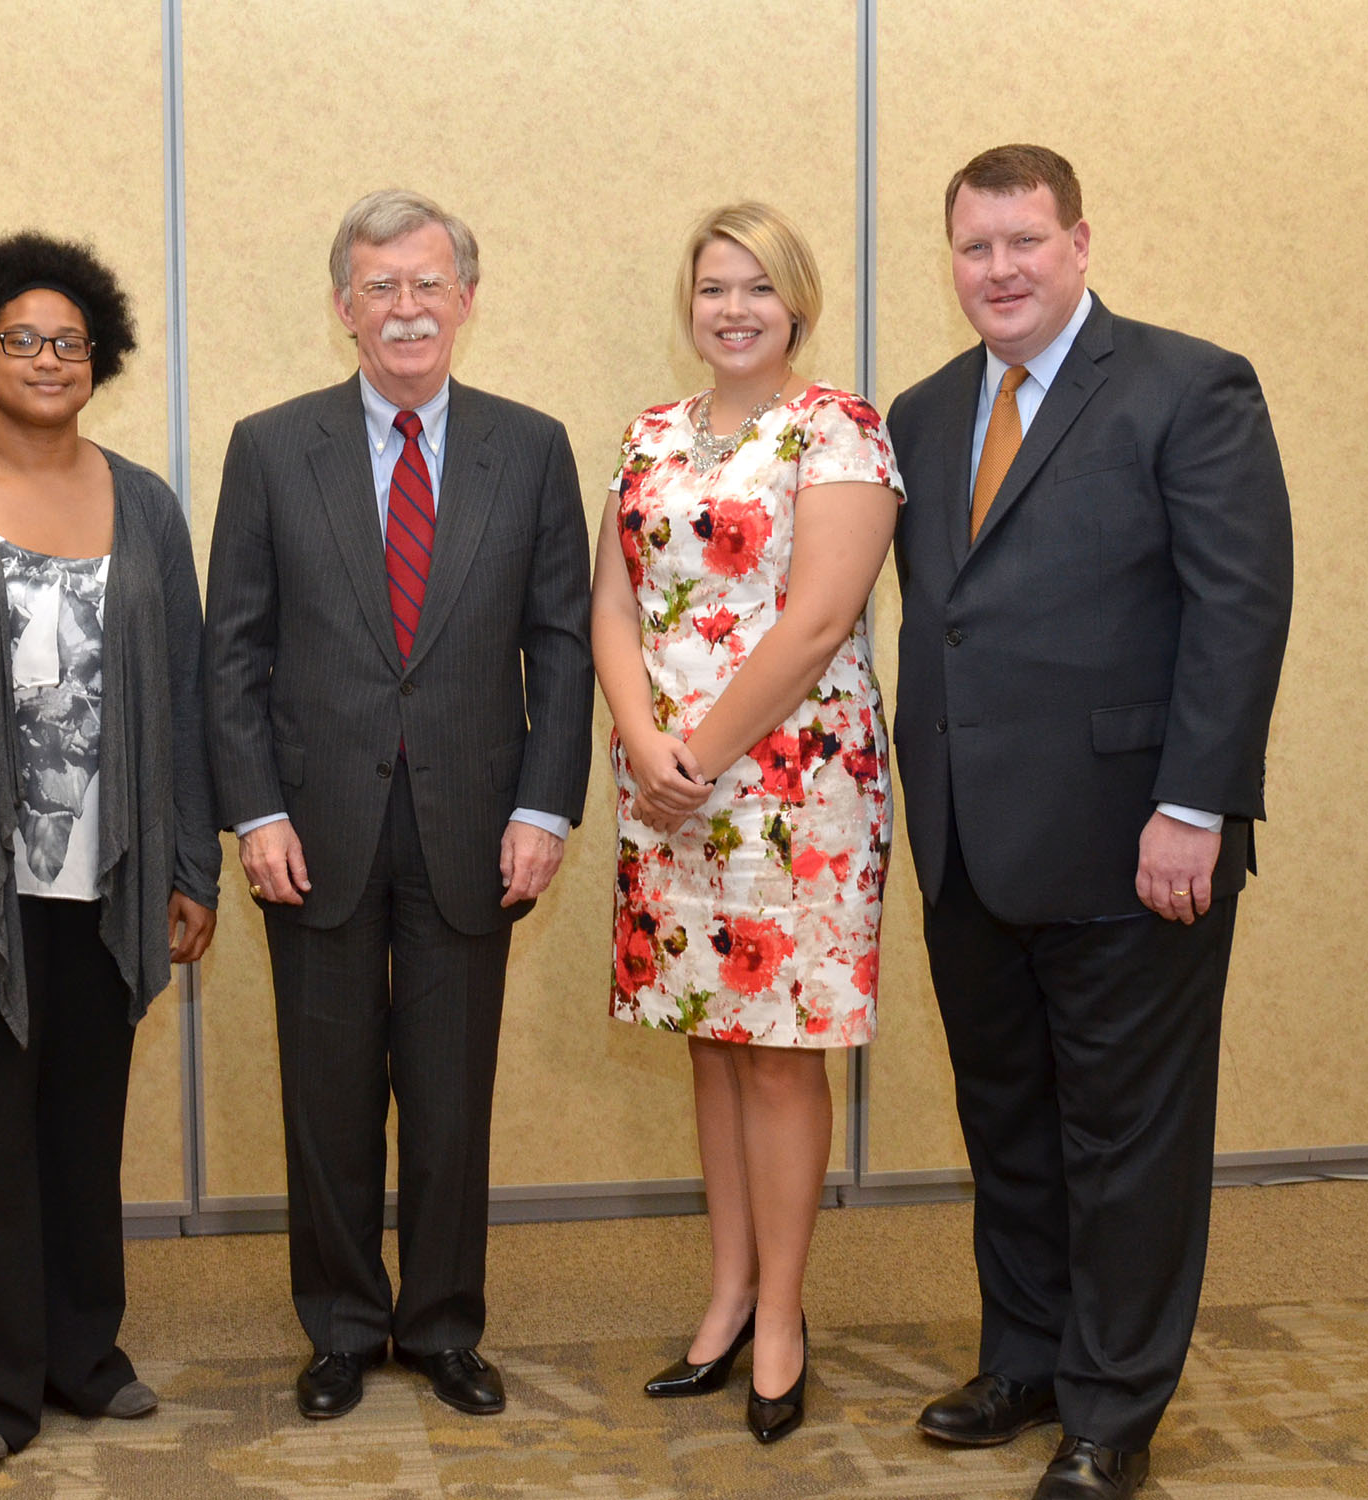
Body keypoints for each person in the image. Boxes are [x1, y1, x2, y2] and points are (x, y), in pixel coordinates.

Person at [887, 145, 1291, 1500]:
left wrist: (1195, 803)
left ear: (1079, 242)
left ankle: (1112, 1410)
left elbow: (1239, 606)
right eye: (975, 247)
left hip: (1136, 842)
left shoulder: (1190, 385)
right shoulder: (924, 412)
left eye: (1024, 241)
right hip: (969, 839)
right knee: (1007, 1123)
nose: (999, 269)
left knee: (1127, 1141)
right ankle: (1027, 1360)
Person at [205, 189, 593, 1421]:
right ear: (344, 307)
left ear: (466, 299)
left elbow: (563, 644)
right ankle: (339, 1326)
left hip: (477, 825)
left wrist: (545, 810)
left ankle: (440, 1325)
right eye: (381, 286)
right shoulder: (273, 446)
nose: (407, 308)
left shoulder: (529, 447)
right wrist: (254, 811)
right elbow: (234, 652)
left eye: (429, 284)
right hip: (311, 828)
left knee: (448, 1097)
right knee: (325, 1099)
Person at [0, 231, 219, 1467]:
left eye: (70, 341)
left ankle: (80, 1355)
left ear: (99, 356)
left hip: (106, 882)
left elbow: (183, 695)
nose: (49, 359)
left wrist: (189, 866)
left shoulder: (147, 503)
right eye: (22, 339)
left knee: (80, 1127)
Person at [593, 203, 903, 1445]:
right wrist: (645, 745)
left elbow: (819, 619)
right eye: (714, 287)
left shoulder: (840, 429)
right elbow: (612, 607)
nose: (733, 308)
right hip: (665, 788)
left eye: (758, 288)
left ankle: (783, 1317)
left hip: (793, 791)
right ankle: (725, 1298)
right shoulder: (649, 434)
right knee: (711, 1046)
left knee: (780, 1053)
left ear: (797, 303)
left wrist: (700, 755)